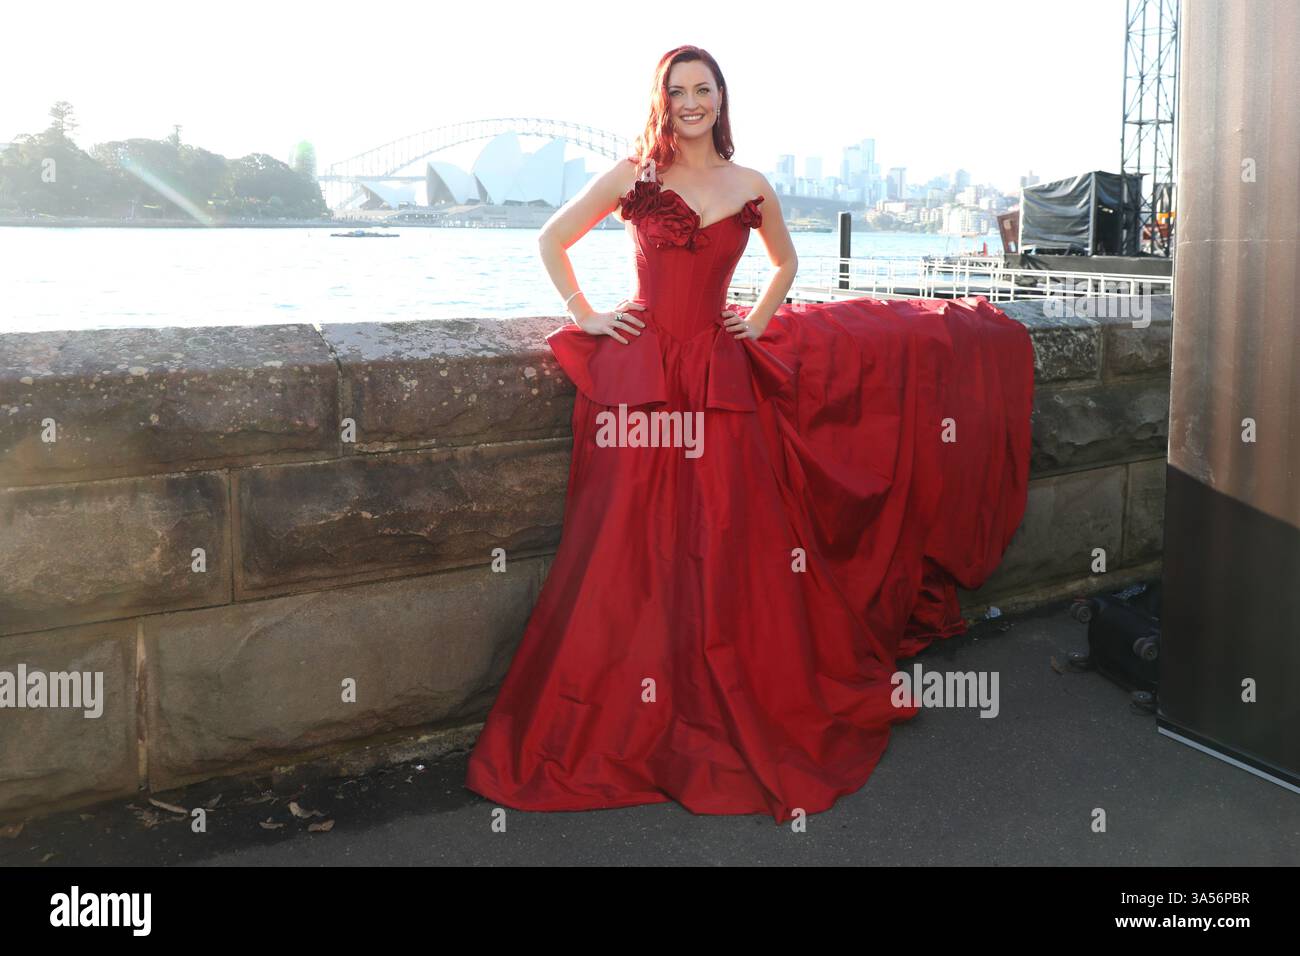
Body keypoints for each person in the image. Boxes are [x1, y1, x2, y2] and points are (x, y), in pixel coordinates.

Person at [464, 45, 1035, 824]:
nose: (691, 102)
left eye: (703, 89)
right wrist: (586, 313)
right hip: (642, 383)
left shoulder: (750, 185)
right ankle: (629, 714)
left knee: (724, 542)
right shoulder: (636, 175)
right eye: (678, 91)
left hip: (719, 381)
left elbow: (785, 262)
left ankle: (712, 703)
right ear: (661, 100)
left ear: (722, 98)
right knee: (623, 550)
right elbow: (550, 239)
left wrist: (755, 324)